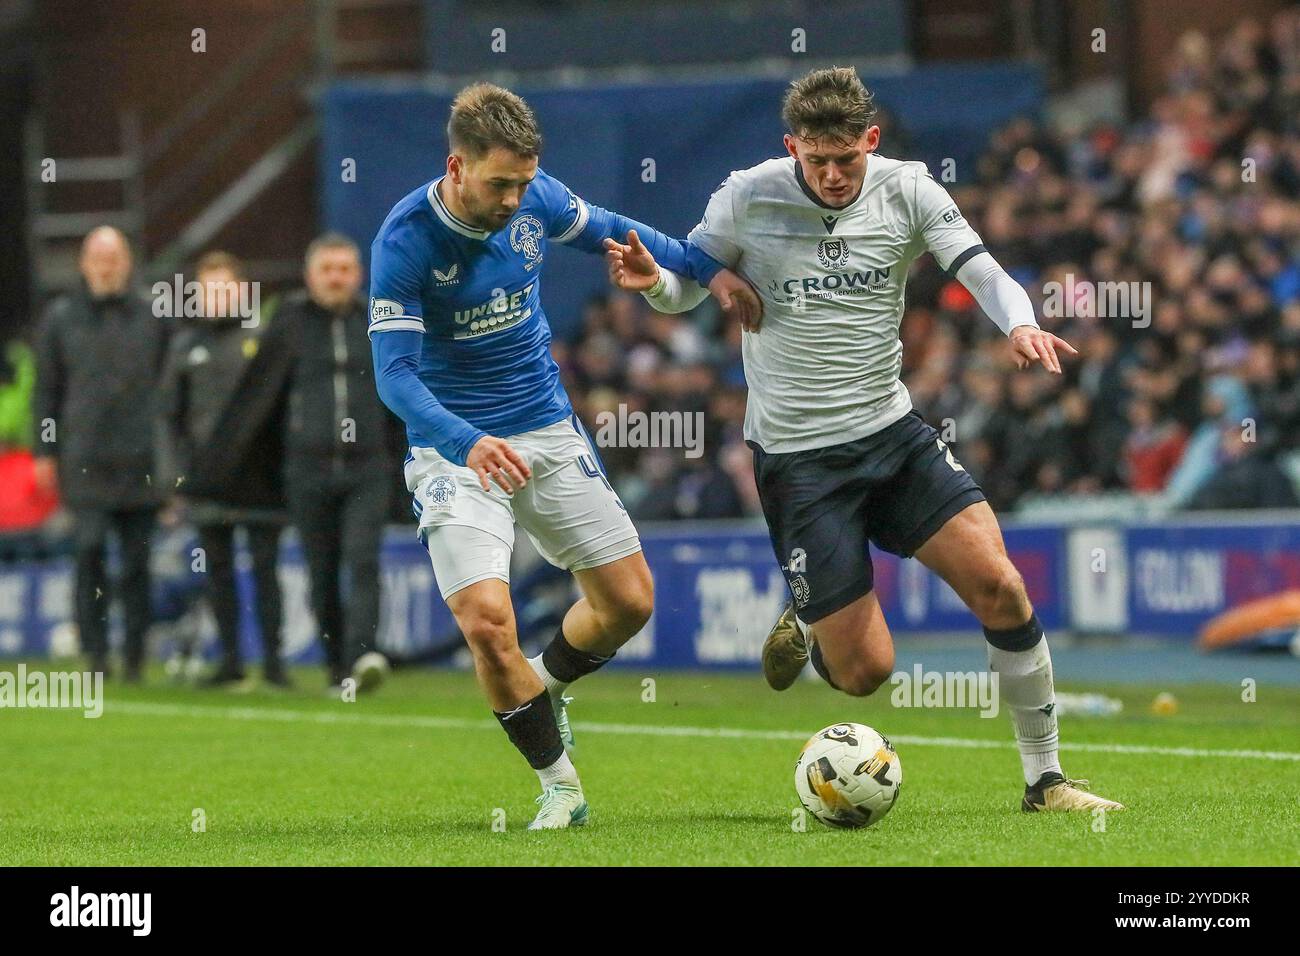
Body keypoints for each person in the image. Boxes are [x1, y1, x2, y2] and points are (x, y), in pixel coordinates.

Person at [605, 66, 1123, 813]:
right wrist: (658, 281)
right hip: (801, 462)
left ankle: (1045, 781)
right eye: (817, 161)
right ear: (792, 148)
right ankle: (815, 619)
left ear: (870, 141)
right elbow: (690, 277)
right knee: (864, 674)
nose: (834, 174)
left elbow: (979, 268)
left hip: (892, 435)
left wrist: (1019, 321)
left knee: (1002, 586)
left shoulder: (908, 188)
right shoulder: (747, 194)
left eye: (847, 158)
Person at [368, 82, 752, 829]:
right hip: (453, 448)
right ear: (457, 166)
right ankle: (560, 784)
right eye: (498, 183)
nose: (515, 199)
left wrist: (708, 272)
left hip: (543, 427)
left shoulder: (538, 198)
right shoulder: (406, 239)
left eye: (522, 181)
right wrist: (465, 442)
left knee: (629, 603)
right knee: (486, 621)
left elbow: (619, 230)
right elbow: (394, 376)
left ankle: (542, 686)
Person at [32, 227, 168, 680]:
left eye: (114, 257)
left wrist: (172, 458)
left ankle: (133, 658)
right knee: (88, 553)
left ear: (127, 262)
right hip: (83, 459)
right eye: (98, 257)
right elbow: (46, 390)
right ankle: (94, 656)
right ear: (85, 263)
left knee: (136, 564)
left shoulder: (153, 315)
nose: (106, 265)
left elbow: (171, 390)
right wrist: (45, 452)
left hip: (141, 461)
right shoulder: (60, 318)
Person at [268, 233, 396, 687]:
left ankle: (362, 657)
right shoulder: (288, 323)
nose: (336, 278)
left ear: (359, 275)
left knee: (363, 559)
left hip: (368, 465)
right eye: (328, 269)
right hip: (307, 468)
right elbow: (263, 396)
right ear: (310, 276)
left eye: (345, 269)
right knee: (320, 571)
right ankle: (335, 665)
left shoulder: (378, 320)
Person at [157, 251, 288, 687]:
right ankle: (231, 661)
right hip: (207, 480)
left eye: (224, 287)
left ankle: (273, 664)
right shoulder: (185, 344)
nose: (216, 296)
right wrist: (174, 475)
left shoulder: (263, 337)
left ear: (240, 290)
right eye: (208, 288)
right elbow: (168, 417)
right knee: (217, 573)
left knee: (267, 571)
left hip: (259, 478)